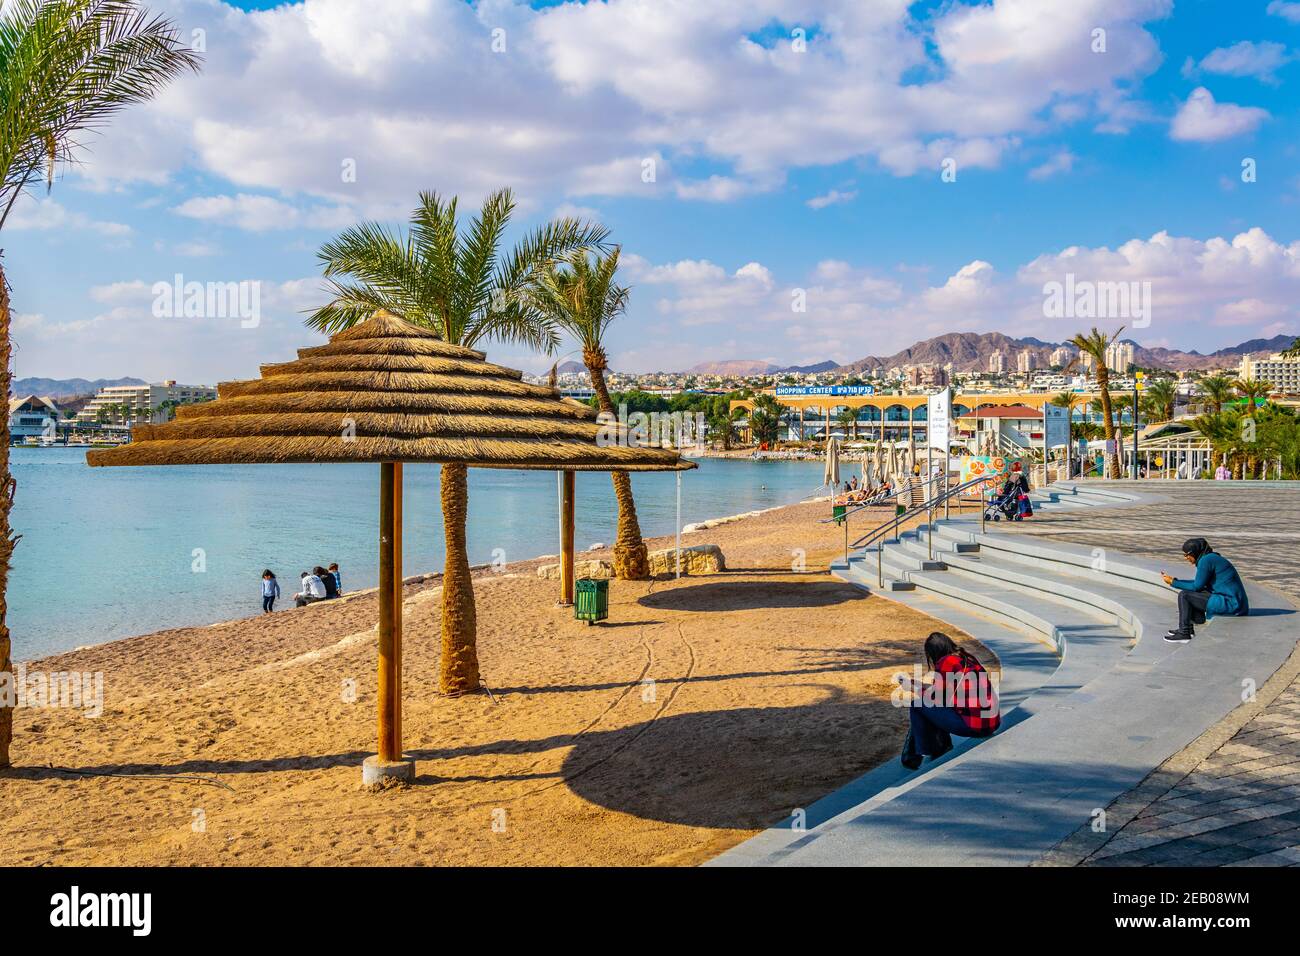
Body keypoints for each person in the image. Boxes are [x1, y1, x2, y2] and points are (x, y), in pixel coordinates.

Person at [896, 632, 1000, 770]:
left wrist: (912, 688)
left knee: (918, 704)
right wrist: (916, 684)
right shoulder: (966, 658)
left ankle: (927, 752)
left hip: (976, 726)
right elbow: (943, 690)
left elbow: (935, 697)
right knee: (930, 704)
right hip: (992, 723)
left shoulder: (946, 662)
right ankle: (916, 755)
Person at [1161, 538, 1249, 643]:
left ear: (1195, 552)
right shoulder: (1209, 558)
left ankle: (1184, 632)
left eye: (1187, 555)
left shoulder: (1206, 560)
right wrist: (1174, 581)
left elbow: (1196, 586)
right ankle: (1188, 629)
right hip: (1234, 602)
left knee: (1184, 595)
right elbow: (1198, 584)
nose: (1186, 558)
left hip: (1231, 604)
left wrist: (1173, 582)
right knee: (1191, 594)